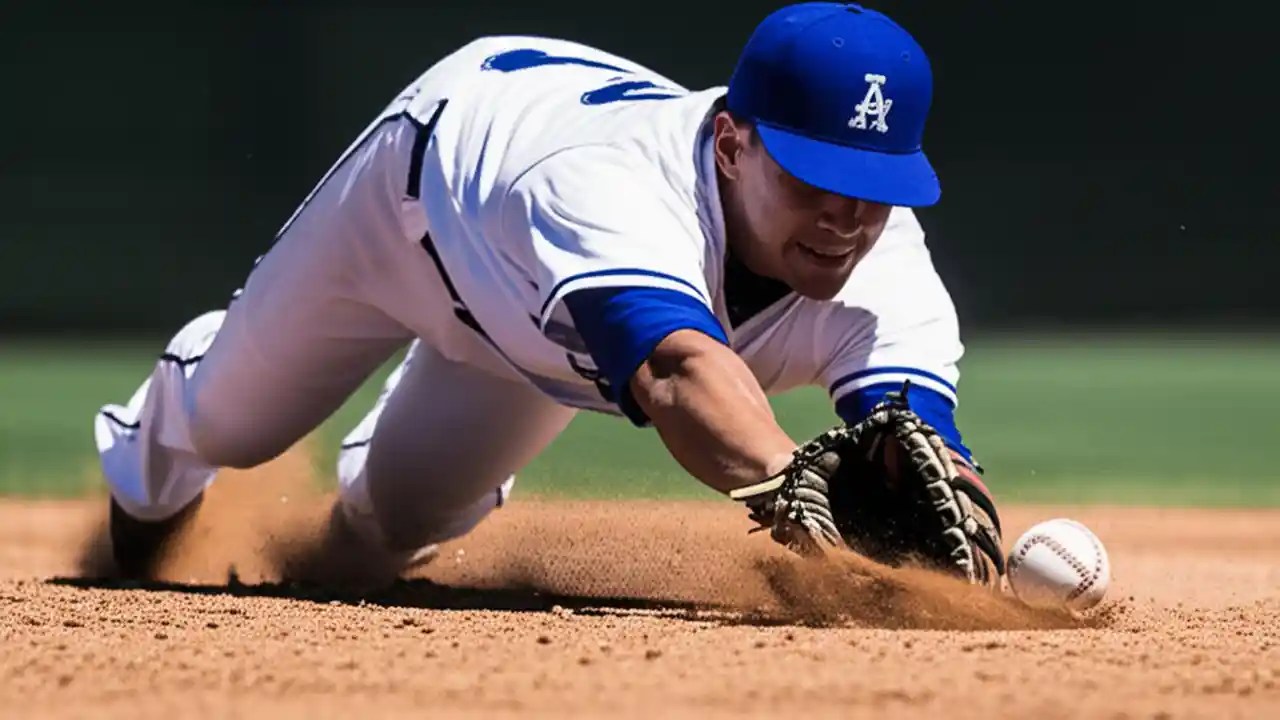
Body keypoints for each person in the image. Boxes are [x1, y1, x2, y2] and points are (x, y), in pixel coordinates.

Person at [95, 2, 1006, 586]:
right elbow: (681, 372)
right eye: (815, 177)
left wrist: (949, 553)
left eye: (876, 188)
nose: (848, 216)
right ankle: (153, 444)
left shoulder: (890, 279)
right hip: (415, 215)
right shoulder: (610, 186)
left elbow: (919, 441)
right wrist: (794, 490)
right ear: (732, 144)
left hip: (544, 331)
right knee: (226, 427)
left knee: (401, 527)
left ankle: (372, 492)